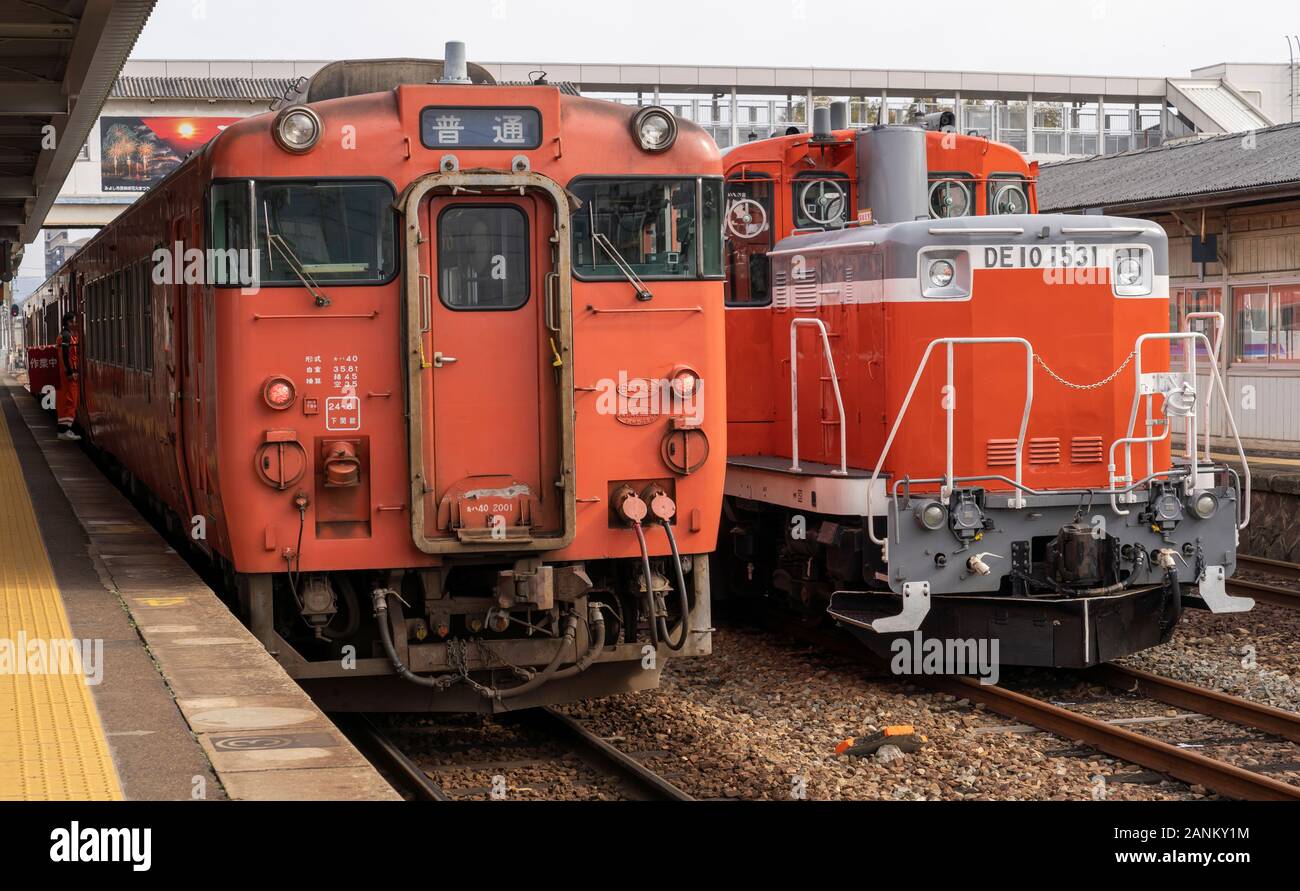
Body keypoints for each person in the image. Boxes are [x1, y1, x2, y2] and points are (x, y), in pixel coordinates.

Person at [54, 311, 81, 442]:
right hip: (68, 376)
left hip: (66, 374)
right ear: (69, 322)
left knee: (66, 401)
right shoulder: (66, 336)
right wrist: (70, 373)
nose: (75, 324)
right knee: (70, 401)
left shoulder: (64, 335)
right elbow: (65, 355)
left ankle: (65, 429)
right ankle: (64, 431)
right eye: (74, 321)